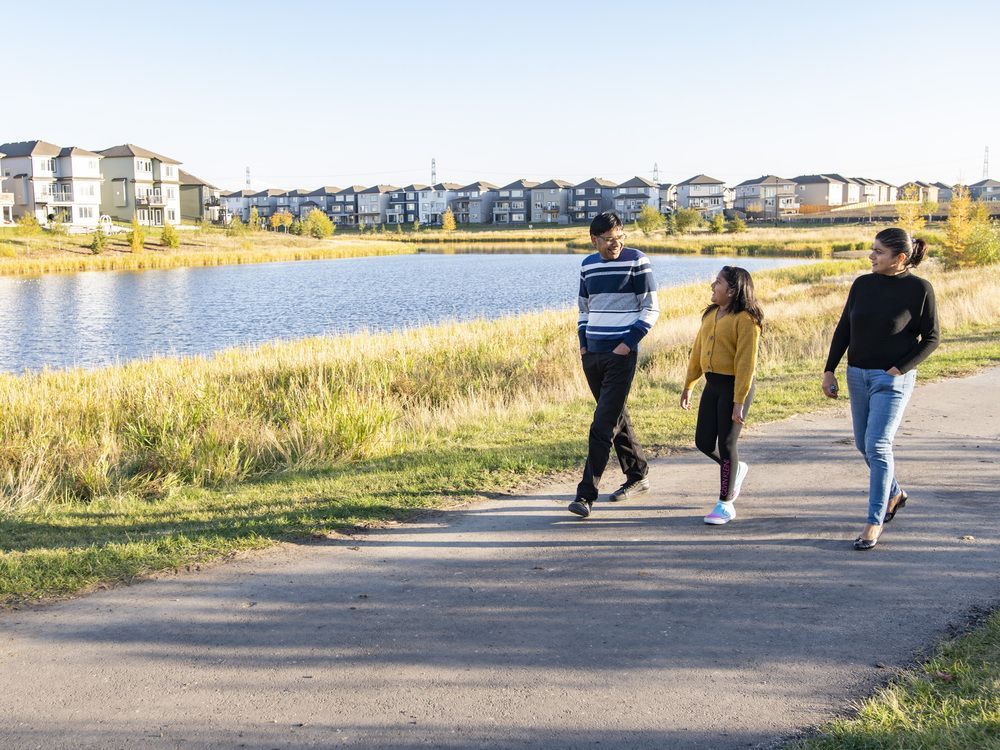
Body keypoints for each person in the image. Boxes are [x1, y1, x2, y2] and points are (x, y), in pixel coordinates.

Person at [822, 227, 940, 550]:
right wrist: (829, 370)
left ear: (899, 258)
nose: (871, 256)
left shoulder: (920, 290)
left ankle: (874, 522)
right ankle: (895, 492)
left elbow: (932, 338)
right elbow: (844, 328)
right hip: (857, 376)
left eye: (878, 252)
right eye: (872, 249)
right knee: (864, 444)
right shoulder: (862, 284)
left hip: (892, 380)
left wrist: (900, 369)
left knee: (877, 445)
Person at [569, 211, 659, 518]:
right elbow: (584, 309)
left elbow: (650, 309)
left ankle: (585, 495)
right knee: (616, 415)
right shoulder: (588, 265)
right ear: (594, 240)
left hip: (621, 355)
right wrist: (583, 343)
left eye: (619, 237)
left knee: (602, 424)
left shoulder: (637, 261)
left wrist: (626, 344)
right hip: (593, 354)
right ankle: (638, 475)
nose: (615, 243)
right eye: (608, 239)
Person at [680, 266, 763, 524]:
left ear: (733, 290)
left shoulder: (746, 320)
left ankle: (725, 504)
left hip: (735, 387)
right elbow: (697, 352)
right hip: (712, 385)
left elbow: (746, 364)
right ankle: (736, 469)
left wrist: (739, 401)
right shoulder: (710, 314)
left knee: (727, 444)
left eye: (718, 282)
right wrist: (689, 385)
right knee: (704, 442)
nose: (713, 286)